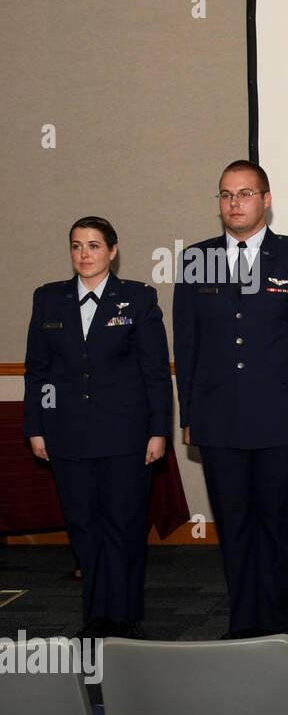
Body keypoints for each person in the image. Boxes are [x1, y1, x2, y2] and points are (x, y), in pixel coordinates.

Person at [173, 160, 288, 638]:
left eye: (245, 194)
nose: (234, 204)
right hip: (218, 418)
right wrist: (190, 413)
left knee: (277, 526)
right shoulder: (195, 260)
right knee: (235, 527)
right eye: (226, 195)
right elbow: (187, 344)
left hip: (282, 416)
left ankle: (279, 623)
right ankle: (244, 623)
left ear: (265, 201)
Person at [24, 216, 172, 639]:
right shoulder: (49, 299)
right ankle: (96, 616)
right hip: (68, 435)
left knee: (123, 526)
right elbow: (37, 371)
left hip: (126, 436)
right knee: (84, 527)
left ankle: (125, 617)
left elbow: (156, 372)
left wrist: (158, 430)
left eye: (93, 245)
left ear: (112, 250)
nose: (84, 255)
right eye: (76, 246)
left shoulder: (138, 299)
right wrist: (35, 426)